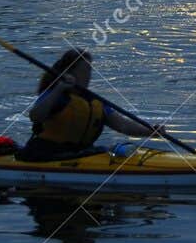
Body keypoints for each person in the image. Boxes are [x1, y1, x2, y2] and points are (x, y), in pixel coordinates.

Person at [19, 49, 163, 162]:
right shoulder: (56, 95)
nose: (88, 76)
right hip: (45, 154)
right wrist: (59, 88)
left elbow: (122, 125)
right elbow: (36, 116)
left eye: (89, 71)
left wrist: (151, 131)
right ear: (70, 73)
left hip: (79, 154)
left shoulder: (94, 101)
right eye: (84, 71)